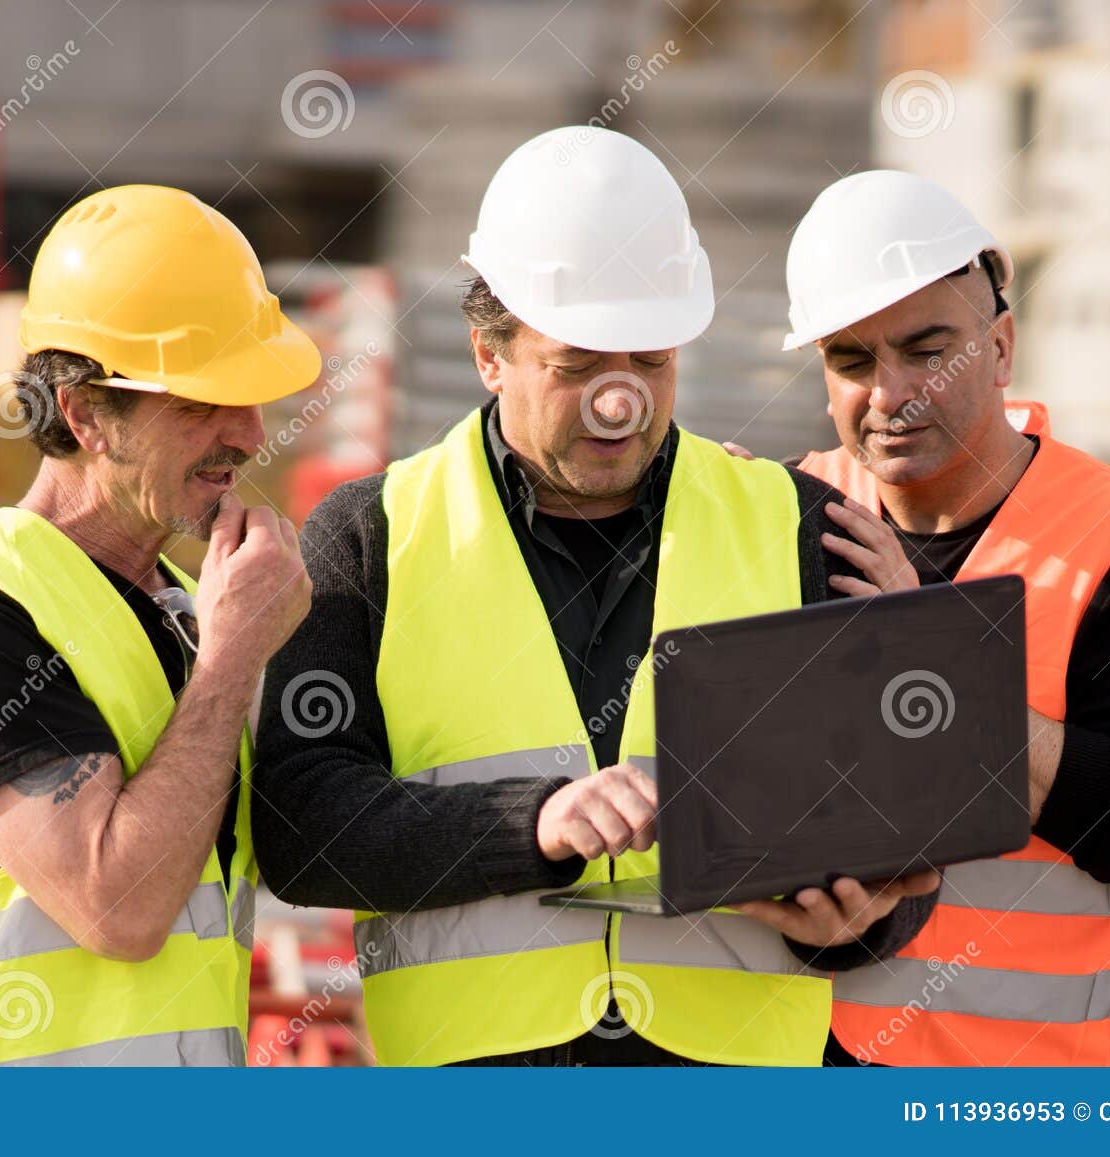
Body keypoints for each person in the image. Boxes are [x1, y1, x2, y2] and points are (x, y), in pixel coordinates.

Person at [252, 127, 938, 1068]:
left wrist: (856, 924)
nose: (621, 403)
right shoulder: (370, 533)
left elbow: (908, 819)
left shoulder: (802, 528)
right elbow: (300, 826)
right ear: (489, 353)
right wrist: (529, 823)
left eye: (649, 363)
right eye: (578, 366)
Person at [0, 185, 317, 1066]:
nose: (248, 435)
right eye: (201, 404)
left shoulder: (183, 607)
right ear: (86, 411)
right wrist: (237, 654)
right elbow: (116, 907)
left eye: (251, 400)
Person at [776, 169, 1110, 1065]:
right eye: (852, 361)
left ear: (1001, 345)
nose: (890, 392)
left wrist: (935, 664)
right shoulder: (790, 510)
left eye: (928, 349)